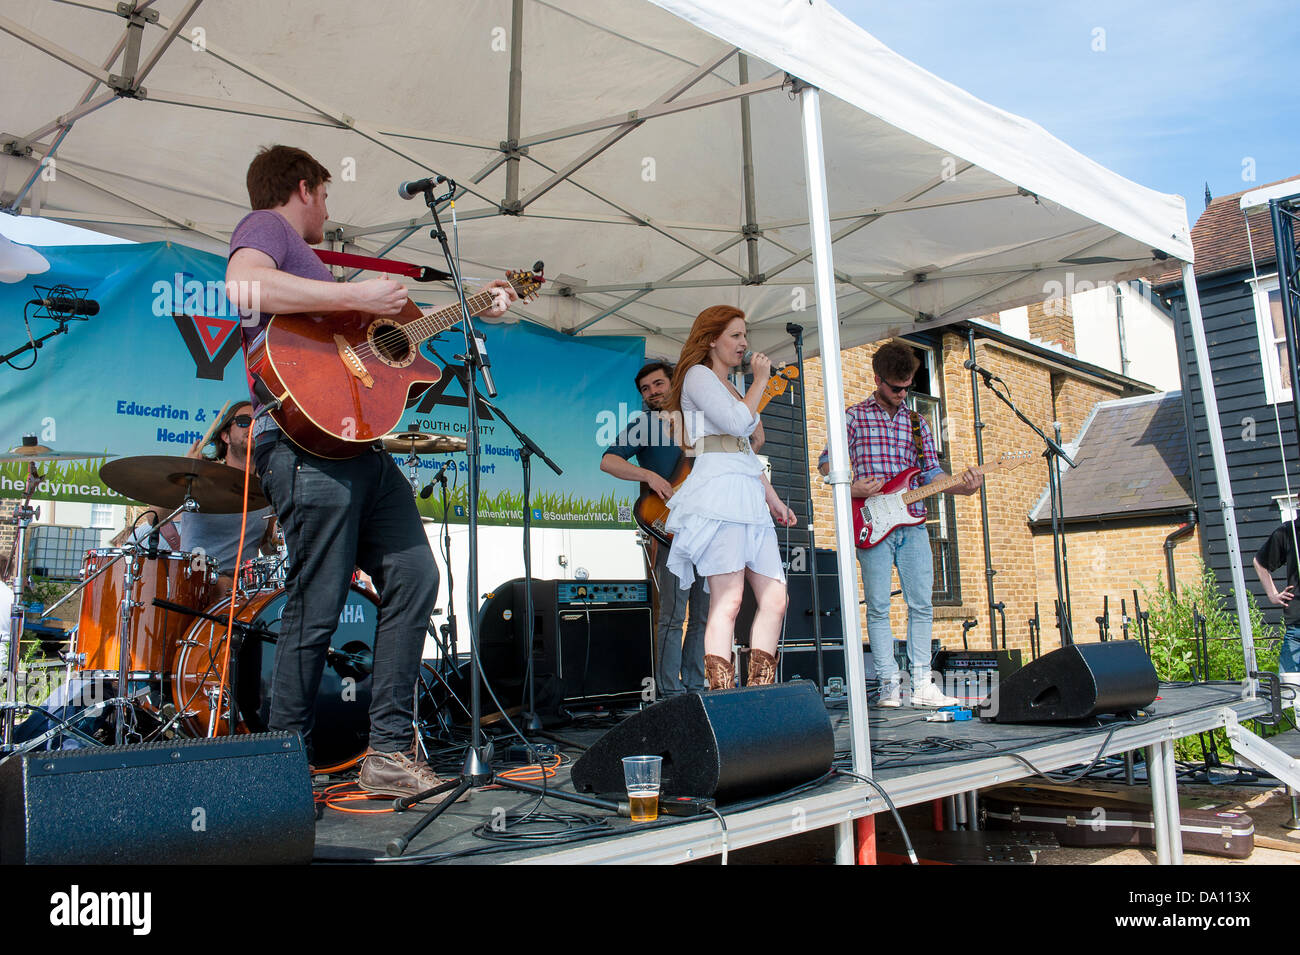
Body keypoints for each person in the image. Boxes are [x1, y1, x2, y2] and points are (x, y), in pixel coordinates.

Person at [225, 145, 516, 796]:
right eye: (326, 194)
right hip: (302, 445)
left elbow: (390, 346)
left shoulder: (314, 274)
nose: (328, 207)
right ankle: (281, 770)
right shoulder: (268, 227)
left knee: (415, 573)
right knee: (317, 606)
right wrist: (355, 289)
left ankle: (386, 751)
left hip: (356, 446)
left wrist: (477, 305)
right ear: (304, 188)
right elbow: (244, 283)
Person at [819, 340, 982, 708]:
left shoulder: (918, 422)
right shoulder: (853, 417)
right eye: (896, 387)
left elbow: (931, 474)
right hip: (872, 520)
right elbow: (827, 463)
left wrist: (963, 486)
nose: (902, 393)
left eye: (908, 387)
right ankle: (890, 684)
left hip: (913, 523)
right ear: (878, 379)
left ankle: (923, 682)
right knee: (877, 606)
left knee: (921, 604)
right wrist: (850, 485)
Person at [662, 305, 797, 691]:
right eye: (736, 335)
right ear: (711, 339)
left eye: (744, 334)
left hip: (749, 495)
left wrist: (772, 498)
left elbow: (746, 448)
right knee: (729, 601)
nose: (744, 343)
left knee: (776, 598)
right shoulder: (697, 376)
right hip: (719, 494)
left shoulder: (733, 387)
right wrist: (761, 380)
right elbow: (738, 424)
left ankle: (759, 690)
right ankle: (721, 697)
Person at [600, 361, 711, 697]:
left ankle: (695, 687)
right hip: (671, 530)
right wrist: (648, 476)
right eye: (646, 389)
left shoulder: (699, 421)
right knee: (674, 615)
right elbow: (608, 460)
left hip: (707, 529)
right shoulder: (643, 424)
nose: (652, 393)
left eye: (658, 384)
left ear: (674, 382)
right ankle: (669, 692)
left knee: (704, 616)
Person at [1252, 520, 1300, 677]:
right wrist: (1272, 594)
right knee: (1289, 692)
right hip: (1297, 627)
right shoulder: (1288, 531)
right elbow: (1260, 562)